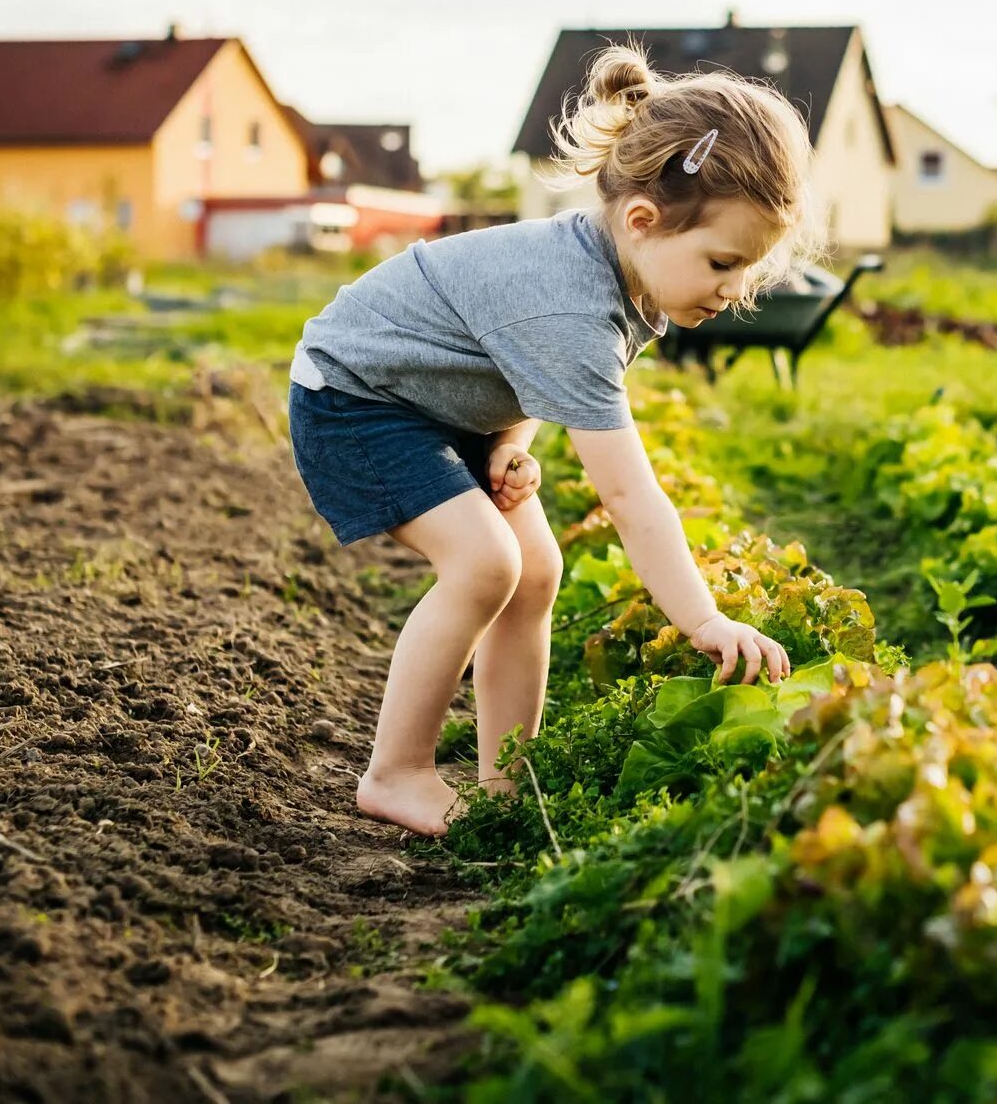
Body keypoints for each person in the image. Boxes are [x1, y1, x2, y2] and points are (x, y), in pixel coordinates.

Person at [284, 42, 820, 837]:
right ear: (642, 220)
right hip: (356, 397)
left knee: (535, 569)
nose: (737, 291)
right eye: (723, 261)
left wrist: (511, 433)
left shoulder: (615, 270)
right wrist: (704, 619)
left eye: (750, 270)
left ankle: (508, 779)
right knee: (485, 562)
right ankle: (396, 771)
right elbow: (630, 497)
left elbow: (503, 342)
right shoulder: (570, 301)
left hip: (439, 400)